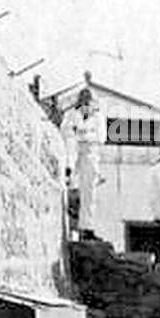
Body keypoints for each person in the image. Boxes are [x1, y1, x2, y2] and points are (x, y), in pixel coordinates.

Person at [60, 87, 106, 241]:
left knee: (89, 191)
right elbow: (67, 133)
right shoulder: (71, 115)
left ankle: (87, 227)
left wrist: (83, 134)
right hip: (75, 149)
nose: (87, 106)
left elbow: (100, 137)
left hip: (90, 152)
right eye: (84, 103)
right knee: (71, 186)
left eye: (89, 103)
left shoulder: (98, 117)